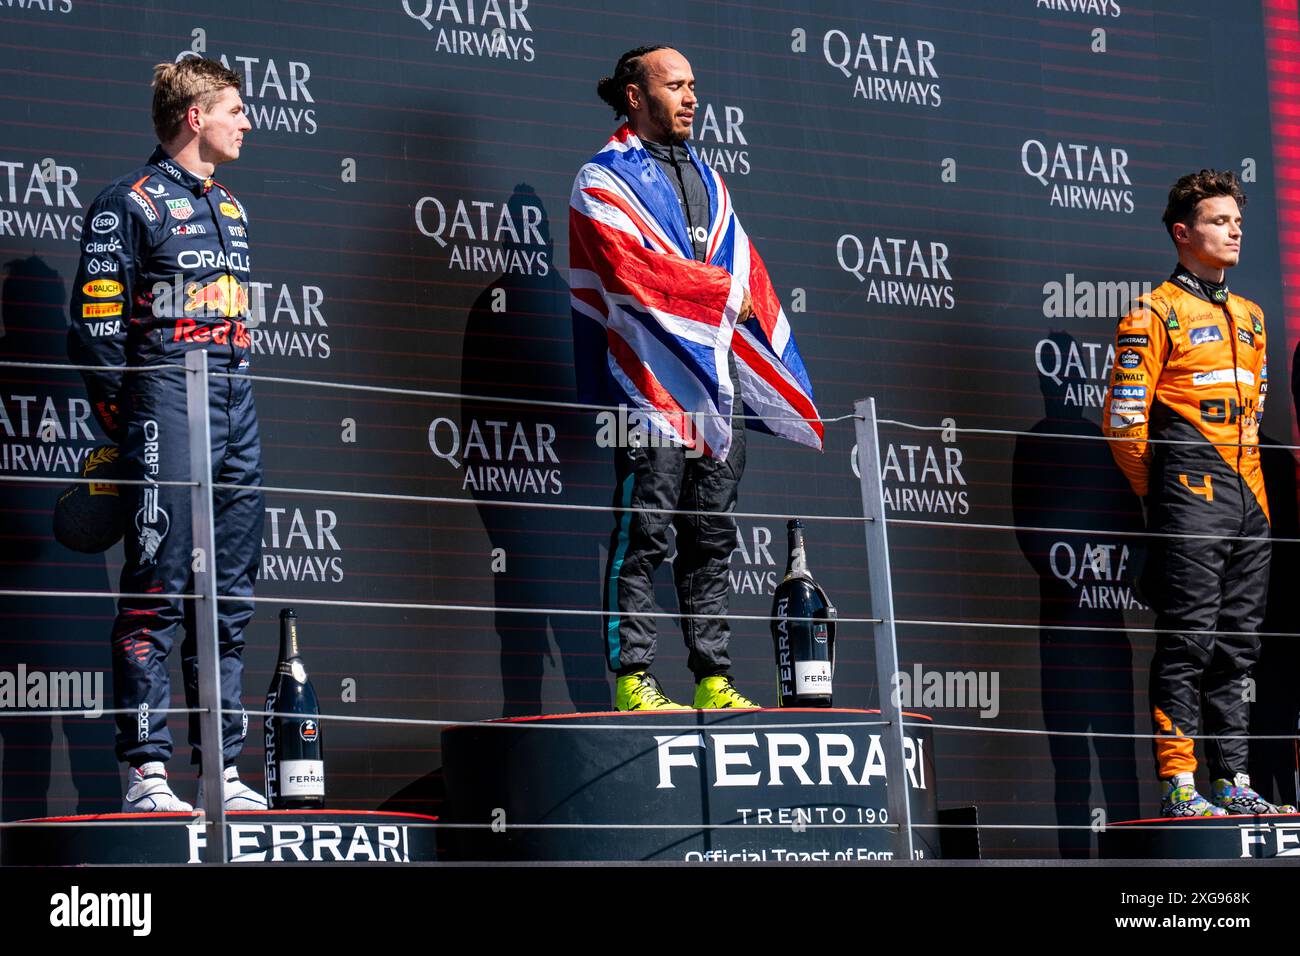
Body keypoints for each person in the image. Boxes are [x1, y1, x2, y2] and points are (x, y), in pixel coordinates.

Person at [569, 46, 823, 711]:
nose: (690, 97)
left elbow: (747, 277)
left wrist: (754, 332)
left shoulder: (711, 177)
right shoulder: (602, 179)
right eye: (675, 86)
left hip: (717, 384)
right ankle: (633, 680)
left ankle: (713, 678)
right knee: (646, 530)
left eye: (694, 87)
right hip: (648, 385)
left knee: (710, 536)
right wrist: (717, 292)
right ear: (634, 95)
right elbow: (629, 273)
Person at [67, 57, 266, 811]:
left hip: (235, 402)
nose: (246, 123)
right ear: (195, 117)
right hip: (163, 403)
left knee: (232, 597)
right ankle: (146, 770)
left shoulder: (235, 209)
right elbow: (95, 330)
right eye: (235, 110)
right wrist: (130, 424)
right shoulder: (130, 203)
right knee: (157, 590)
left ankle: (223, 766)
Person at [1103, 169, 1293, 816]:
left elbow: (1256, 412)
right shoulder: (1152, 312)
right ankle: (1180, 786)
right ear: (1183, 233)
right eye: (1219, 221)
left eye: (1238, 221)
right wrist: (1164, 494)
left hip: (1252, 499)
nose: (1235, 229)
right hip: (1189, 494)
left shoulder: (1252, 317)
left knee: (1239, 646)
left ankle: (1233, 782)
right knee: (1187, 640)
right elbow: (1125, 425)